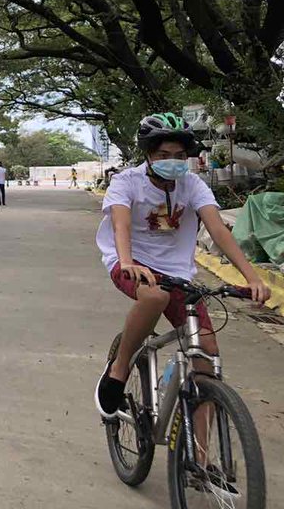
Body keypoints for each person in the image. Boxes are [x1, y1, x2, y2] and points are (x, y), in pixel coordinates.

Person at [94, 113, 270, 427]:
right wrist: (128, 261)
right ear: (148, 154)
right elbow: (121, 225)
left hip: (177, 273)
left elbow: (218, 230)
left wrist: (252, 278)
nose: (172, 162)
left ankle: (201, 466)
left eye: (178, 156)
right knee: (154, 297)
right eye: (163, 155)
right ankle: (118, 369)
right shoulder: (126, 182)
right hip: (130, 262)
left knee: (206, 355)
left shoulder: (192, 185)